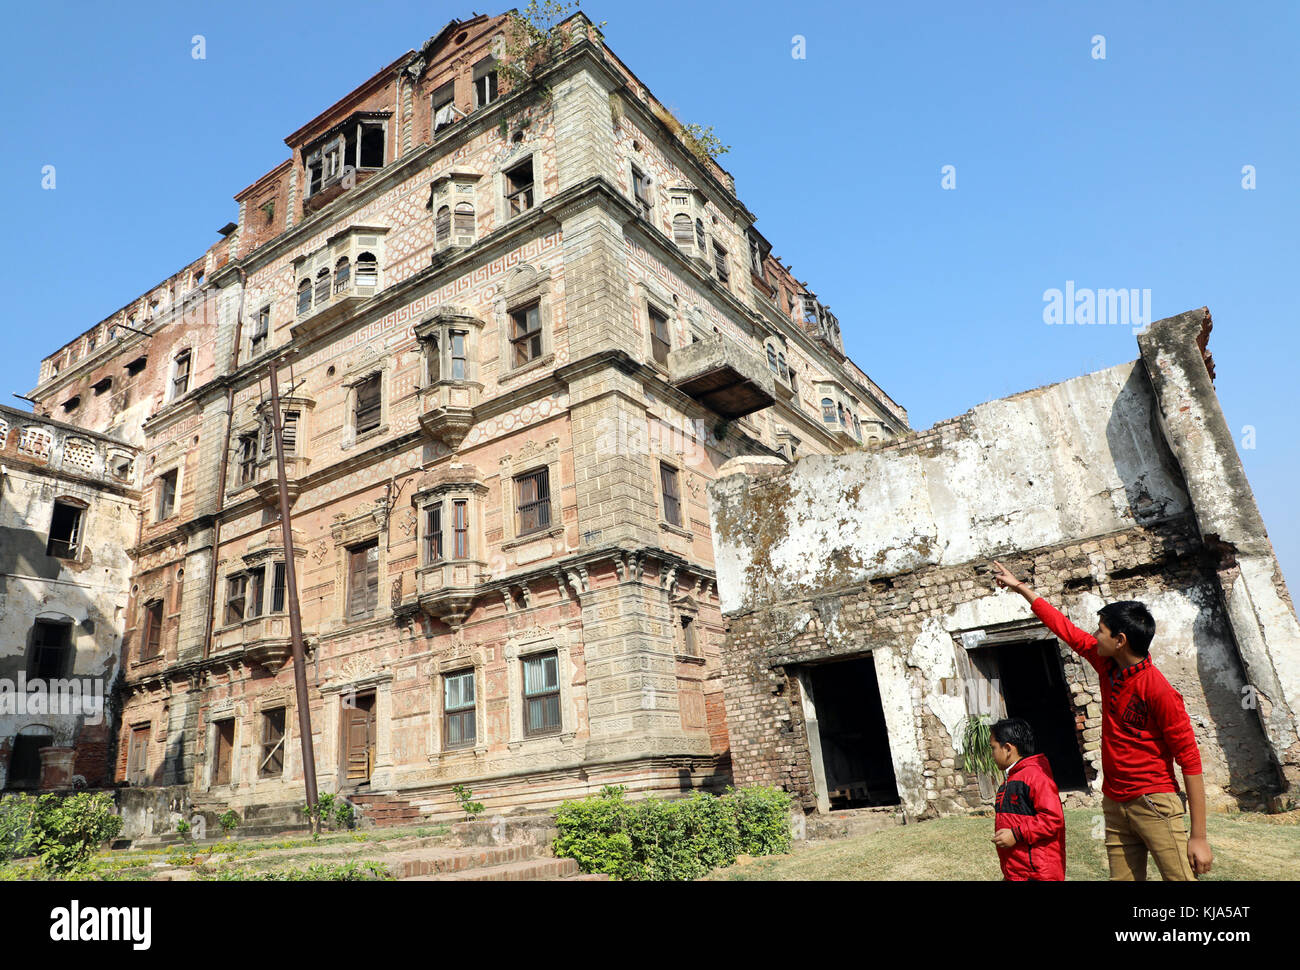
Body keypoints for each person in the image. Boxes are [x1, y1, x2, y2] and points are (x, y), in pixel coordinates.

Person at [990, 561, 1213, 880]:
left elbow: (1190, 762)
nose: (1094, 636)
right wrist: (1022, 588)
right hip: (1115, 803)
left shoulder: (1159, 691)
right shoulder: (1105, 664)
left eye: (1101, 630)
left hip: (1155, 803)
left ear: (1120, 640)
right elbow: (1064, 629)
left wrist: (1199, 836)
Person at [989, 717, 1066, 880]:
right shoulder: (1011, 780)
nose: (992, 755)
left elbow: (1052, 819)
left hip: (1036, 873)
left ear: (1008, 749)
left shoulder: (1036, 777)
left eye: (993, 748)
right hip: (1017, 871)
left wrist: (1016, 834)